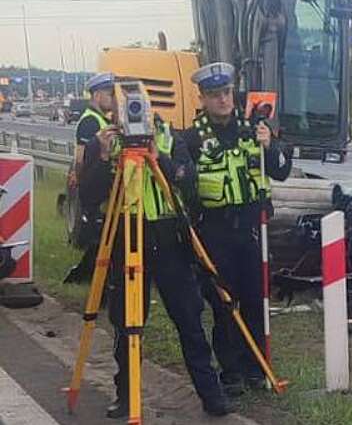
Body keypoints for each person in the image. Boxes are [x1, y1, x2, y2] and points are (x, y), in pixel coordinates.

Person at [80, 105, 231, 419]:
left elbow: (188, 181)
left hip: (168, 240)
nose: (133, 116)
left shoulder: (167, 137)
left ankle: (211, 394)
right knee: (126, 323)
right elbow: (88, 195)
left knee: (190, 319)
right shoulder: (105, 142)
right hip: (124, 236)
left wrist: (157, 156)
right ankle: (126, 395)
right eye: (127, 109)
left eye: (139, 107)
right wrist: (104, 157)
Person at [181, 62, 291, 397]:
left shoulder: (254, 128)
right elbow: (184, 182)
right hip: (214, 232)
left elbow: (282, 171)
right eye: (214, 95)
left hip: (251, 230)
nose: (223, 100)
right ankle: (230, 371)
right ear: (202, 98)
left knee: (255, 300)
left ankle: (255, 367)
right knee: (224, 304)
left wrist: (270, 145)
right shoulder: (192, 137)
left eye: (226, 93)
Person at [64, 73, 117, 284]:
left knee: (102, 236)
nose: (113, 98)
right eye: (109, 94)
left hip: (102, 180)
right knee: (99, 234)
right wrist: (81, 179)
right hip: (94, 183)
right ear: (96, 95)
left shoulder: (102, 119)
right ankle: (88, 277)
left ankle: (85, 275)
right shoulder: (90, 121)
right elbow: (81, 158)